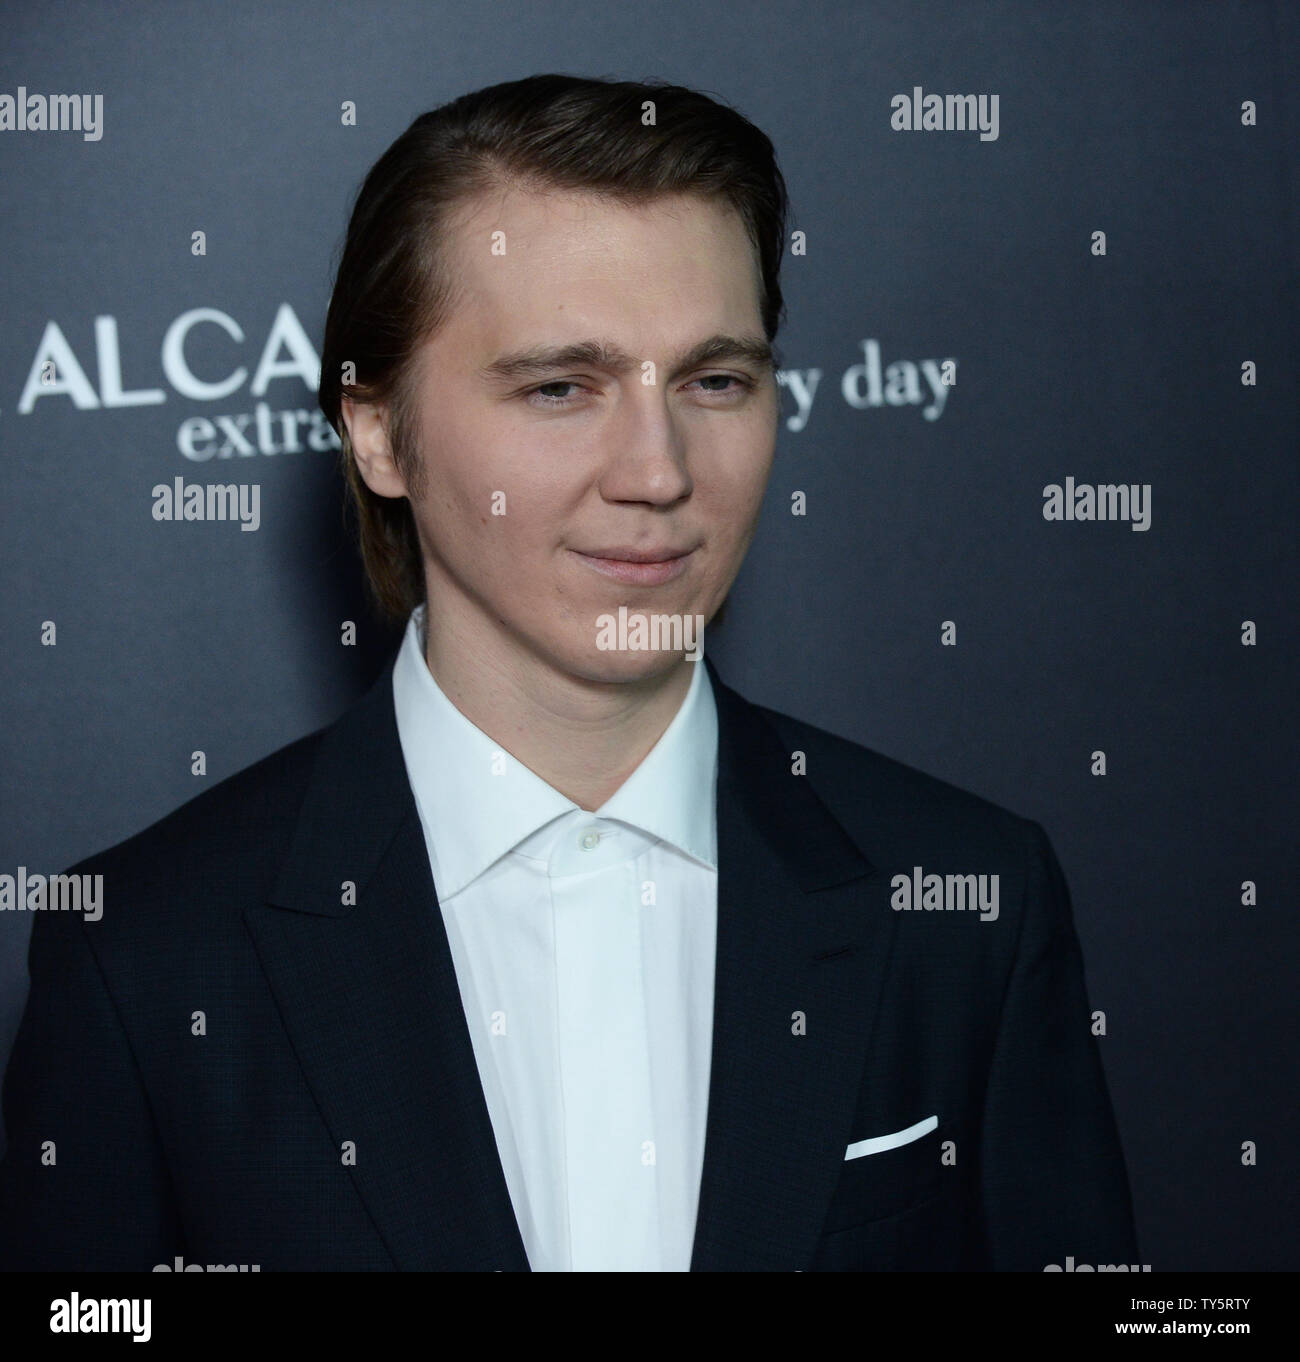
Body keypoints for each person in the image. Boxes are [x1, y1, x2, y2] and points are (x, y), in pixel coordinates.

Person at [0, 73, 1137, 1271]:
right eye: (559, 387)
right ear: (378, 431)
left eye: (713, 381)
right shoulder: (147, 958)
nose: (656, 470)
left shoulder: (967, 903)